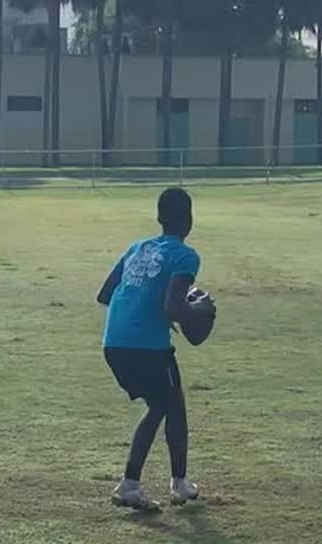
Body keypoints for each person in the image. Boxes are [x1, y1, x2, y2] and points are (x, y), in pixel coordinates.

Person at [96, 187, 213, 510]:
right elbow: (175, 308)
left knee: (172, 404)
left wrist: (148, 304)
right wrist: (200, 310)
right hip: (147, 345)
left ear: (159, 218)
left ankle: (179, 483)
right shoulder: (185, 256)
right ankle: (130, 484)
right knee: (163, 406)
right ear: (189, 220)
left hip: (114, 342)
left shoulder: (137, 247)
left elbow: (105, 294)